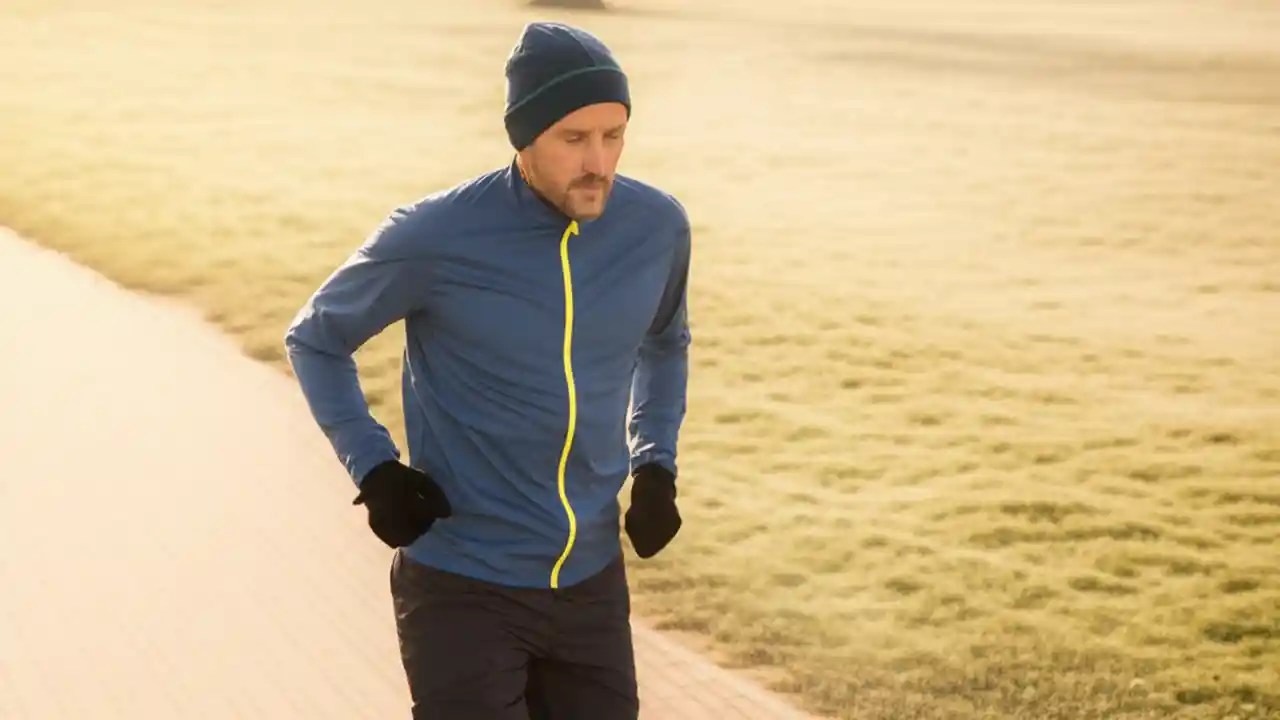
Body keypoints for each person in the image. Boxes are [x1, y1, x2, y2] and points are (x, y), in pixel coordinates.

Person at [282, 20, 692, 720]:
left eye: (613, 134)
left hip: (591, 584)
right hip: (463, 587)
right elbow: (316, 338)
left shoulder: (655, 228)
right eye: (574, 139)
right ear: (523, 137)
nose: (599, 162)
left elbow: (666, 341)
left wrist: (656, 464)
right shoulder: (434, 236)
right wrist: (374, 468)